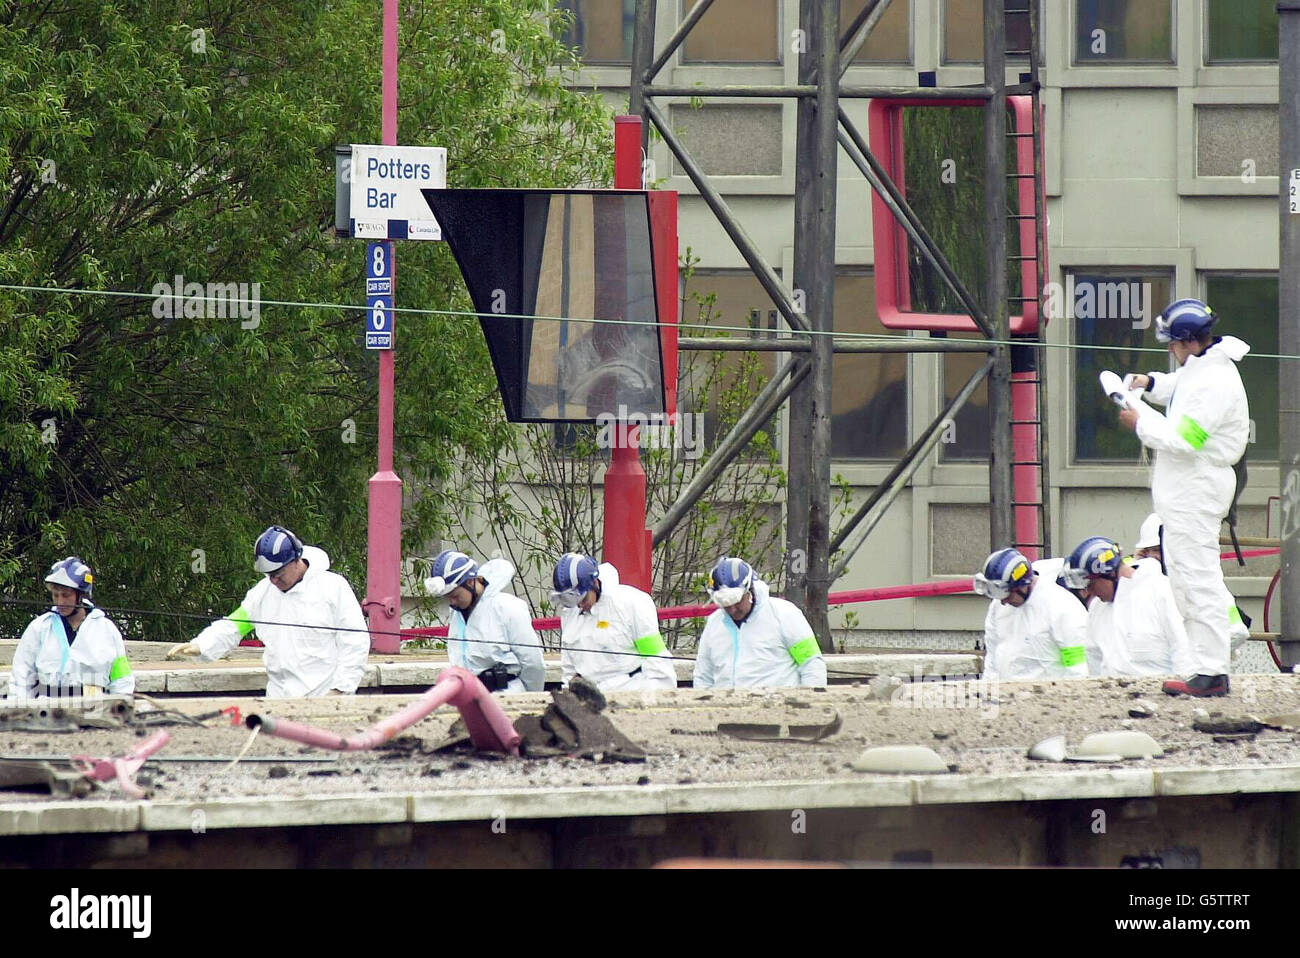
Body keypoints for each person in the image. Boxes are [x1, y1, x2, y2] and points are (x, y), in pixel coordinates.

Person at [1119, 299, 1250, 697]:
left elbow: (1184, 440)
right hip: (1186, 493)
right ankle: (1204, 667)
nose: (1169, 351)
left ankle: (1212, 671)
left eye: (1172, 344)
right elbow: (1181, 387)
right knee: (1185, 580)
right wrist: (1150, 383)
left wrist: (1141, 423)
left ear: (1188, 342)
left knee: (1199, 580)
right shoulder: (1203, 366)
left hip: (1197, 490)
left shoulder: (1215, 382)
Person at [166, 525, 369, 698]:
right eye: (268, 574)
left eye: (278, 573)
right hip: (279, 699)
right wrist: (202, 645)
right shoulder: (263, 592)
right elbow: (234, 625)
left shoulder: (333, 587)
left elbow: (355, 642)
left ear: (295, 560)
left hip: (324, 698)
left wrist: (340, 690)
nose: (273, 580)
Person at [1062, 536, 1192, 678]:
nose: (1087, 592)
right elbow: (1094, 659)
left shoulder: (1162, 592)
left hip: (1158, 695)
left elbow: (1183, 651)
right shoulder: (1097, 608)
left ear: (1108, 573)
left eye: (1090, 584)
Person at [7, 557, 133, 700]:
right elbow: (21, 676)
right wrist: (20, 714)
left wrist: (123, 709)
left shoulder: (106, 630)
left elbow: (122, 678)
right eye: (55, 595)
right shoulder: (40, 627)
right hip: (49, 715)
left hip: (95, 712)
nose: (60, 601)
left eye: (66, 595)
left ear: (81, 595)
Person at [693, 556, 826, 689]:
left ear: (750, 590)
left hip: (779, 706)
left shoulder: (785, 614)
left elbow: (811, 663)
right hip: (725, 707)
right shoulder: (714, 623)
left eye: (737, 601)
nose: (732, 610)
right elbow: (703, 676)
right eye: (724, 604)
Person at [550, 552, 676, 692]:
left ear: (594, 584)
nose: (579, 606)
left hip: (631, 694)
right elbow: (569, 669)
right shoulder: (570, 613)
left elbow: (656, 659)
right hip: (588, 701)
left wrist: (657, 698)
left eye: (583, 599)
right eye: (572, 602)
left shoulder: (632, 603)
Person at [423, 550, 544, 693]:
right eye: (447, 597)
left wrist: (531, 698)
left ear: (470, 581)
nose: (452, 602)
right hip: (471, 697)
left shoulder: (507, 607)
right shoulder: (458, 612)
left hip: (507, 696)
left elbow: (533, 663)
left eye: (455, 595)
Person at [1131, 512, 1251, 655]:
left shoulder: (1203, 581)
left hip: (1197, 671)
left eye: (1157, 550)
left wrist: (1195, 655)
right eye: (1146, 552)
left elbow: (1237, 631)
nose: (1151, 557)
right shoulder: (1138, 584)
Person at [975, 547, 1091, 680]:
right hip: (1006, 696)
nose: (1004, 602)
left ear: (1022, 586)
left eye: (1007, 594)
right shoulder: (998, 606)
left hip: (1048, 697)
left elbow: (1079, 668)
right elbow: (993, 659)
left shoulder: (1062, 608)